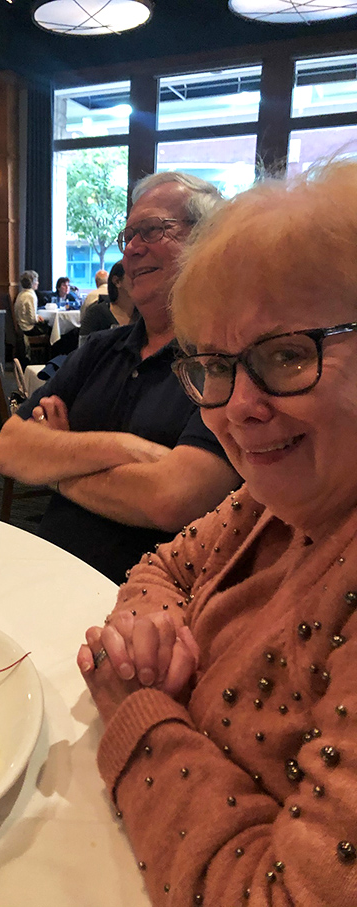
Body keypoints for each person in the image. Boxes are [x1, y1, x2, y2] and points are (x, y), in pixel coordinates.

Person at [79, 159, 357, 906]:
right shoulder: (281, 496)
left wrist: (136, 710)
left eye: (287, 355)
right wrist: (148, 620)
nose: (238, 407)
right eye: (212, 366)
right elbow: (167, 561)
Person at [0, 172, 238, 584]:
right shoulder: (102, 348)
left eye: (151, 230)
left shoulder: (225, 360)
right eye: (129, 236)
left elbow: (172, 499)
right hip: (44, 569)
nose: (131, 251)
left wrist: (54, 464)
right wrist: (131, 450)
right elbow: (5, 449)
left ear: (208, 242)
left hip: (150, 601)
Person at [78, 260, 135, 344]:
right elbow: (83, 351)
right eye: (134, 276)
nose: (141, 281)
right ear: (117, 281)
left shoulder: (145, 314)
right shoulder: (96, 314)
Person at [14, 269, 49, 337]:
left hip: (22, 326)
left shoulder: (21, 294)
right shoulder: (30, 296)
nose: (38, 283)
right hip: (28, 329)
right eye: (36, 280)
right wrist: (38, 318)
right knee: (51, 328)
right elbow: (32, 320)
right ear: (32, 282)